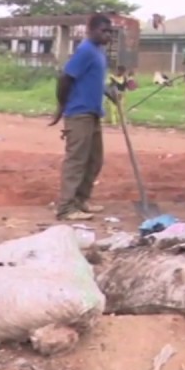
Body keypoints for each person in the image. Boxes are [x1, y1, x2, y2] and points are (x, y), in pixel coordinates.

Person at [49, 14, 115, 221]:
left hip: (93, 112)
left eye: (109, 31)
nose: (107, 35)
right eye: (103, 31)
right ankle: (66, 207)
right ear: (91, 30)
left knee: (95, 159)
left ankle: (80, 200)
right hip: (79, 113)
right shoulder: (85, 50)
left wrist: (107, 90)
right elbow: (66, 78)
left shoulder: (99, 52)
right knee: (76, 160)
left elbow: (92, 79)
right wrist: (62, 105)